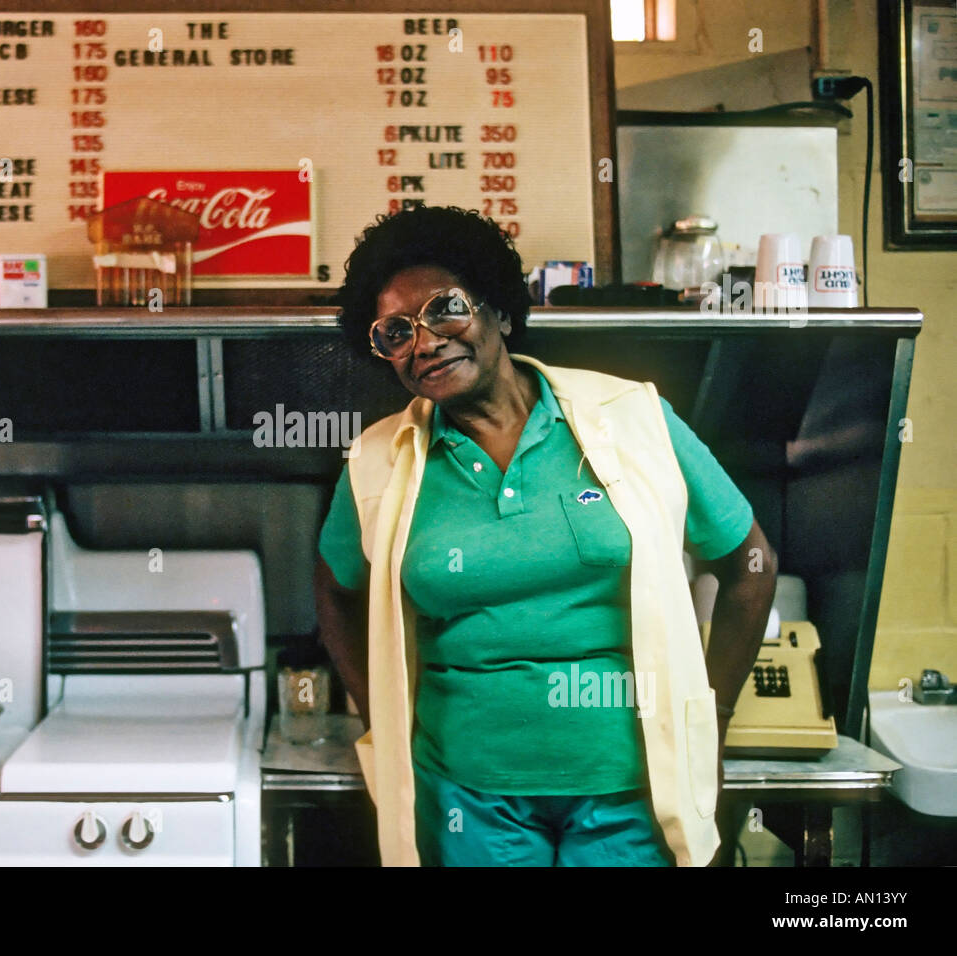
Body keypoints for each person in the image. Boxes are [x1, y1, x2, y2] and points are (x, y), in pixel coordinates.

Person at [314, 205, 776, 867]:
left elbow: (750, 564)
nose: (423, 342)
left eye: (445, 309)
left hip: (635, 788)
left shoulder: (633, 417)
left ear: (499, 310)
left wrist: (715, 717)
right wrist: (376, 717)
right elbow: (335, 590)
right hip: (466, 797)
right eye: (394, 332)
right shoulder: (379, 460)